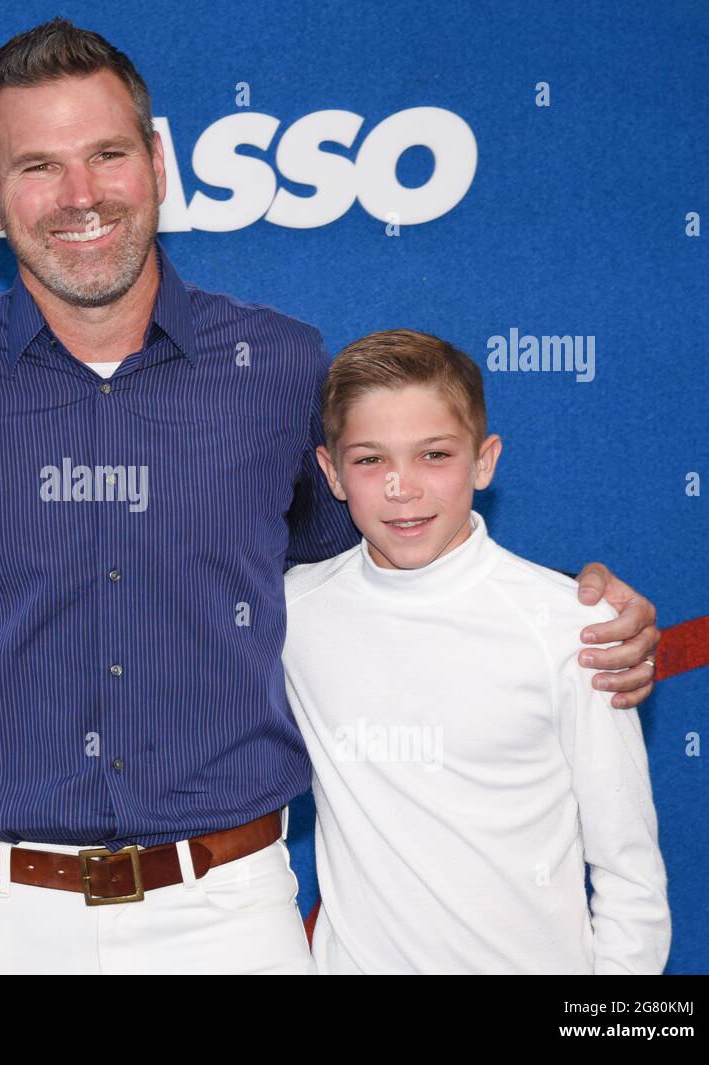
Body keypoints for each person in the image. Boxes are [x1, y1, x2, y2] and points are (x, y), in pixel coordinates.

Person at [0, 21, 660, 975]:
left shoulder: (280, 369)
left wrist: (581, 618)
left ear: (156, 165)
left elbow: (390, 574)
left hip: (229, 914)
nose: (81, 195)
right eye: (38, 167)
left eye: (106, 155)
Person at [283, 329, 671, 974]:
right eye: (371, 460)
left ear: (484, 461)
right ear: (331, 473)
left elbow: (628, 866)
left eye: (435, 455)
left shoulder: (571, 626)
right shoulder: (291, 613)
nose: (402, 488)